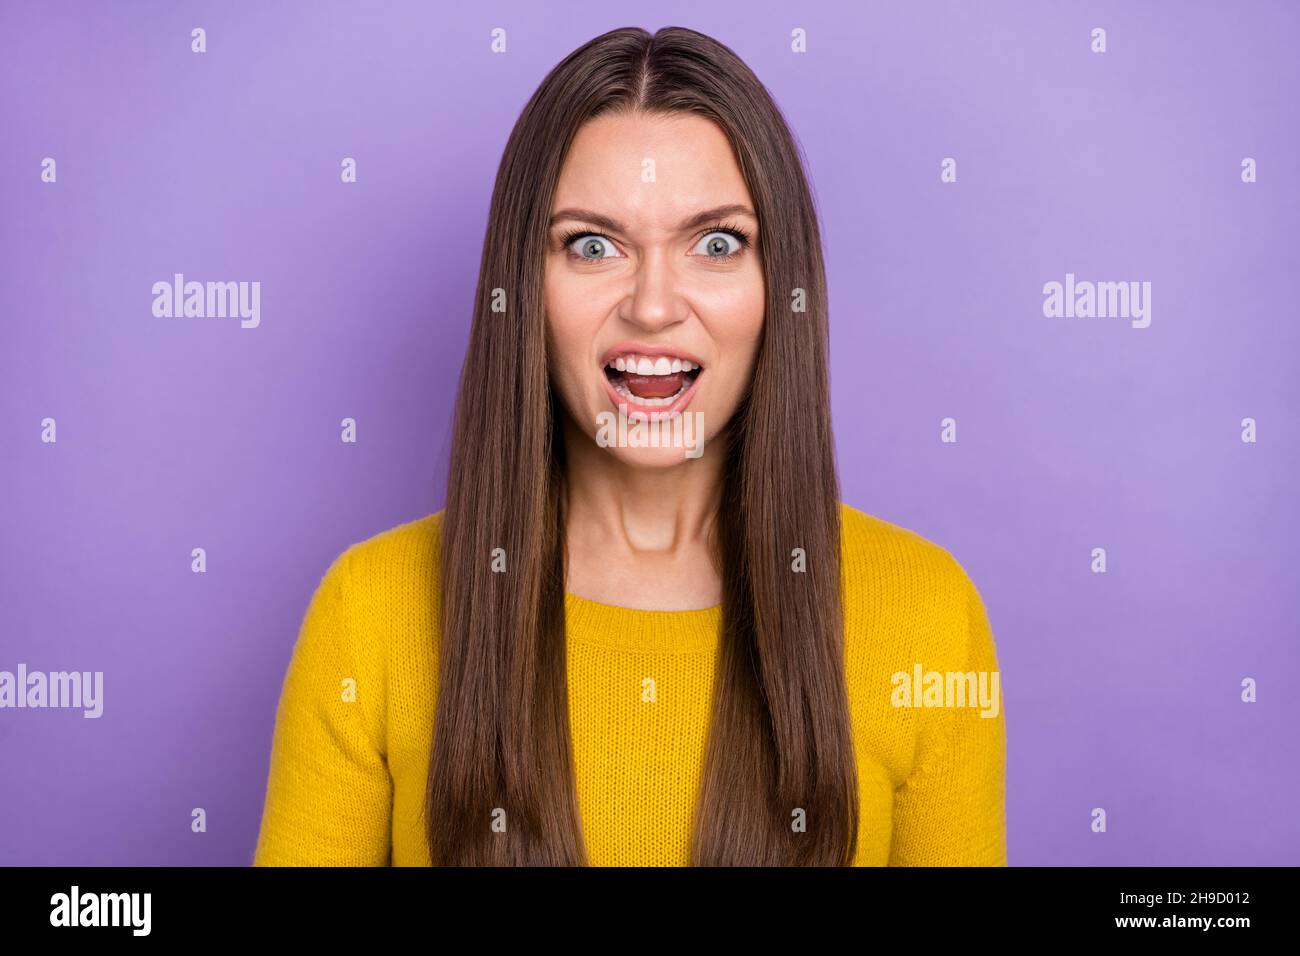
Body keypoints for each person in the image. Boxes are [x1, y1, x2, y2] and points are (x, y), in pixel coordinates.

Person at [253, 25, 1005, 867]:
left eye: (716, 243)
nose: (653, 305)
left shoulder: (927, 616)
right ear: (524, 289)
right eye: (592, 244)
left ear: (778, 288)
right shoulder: (372, 612)